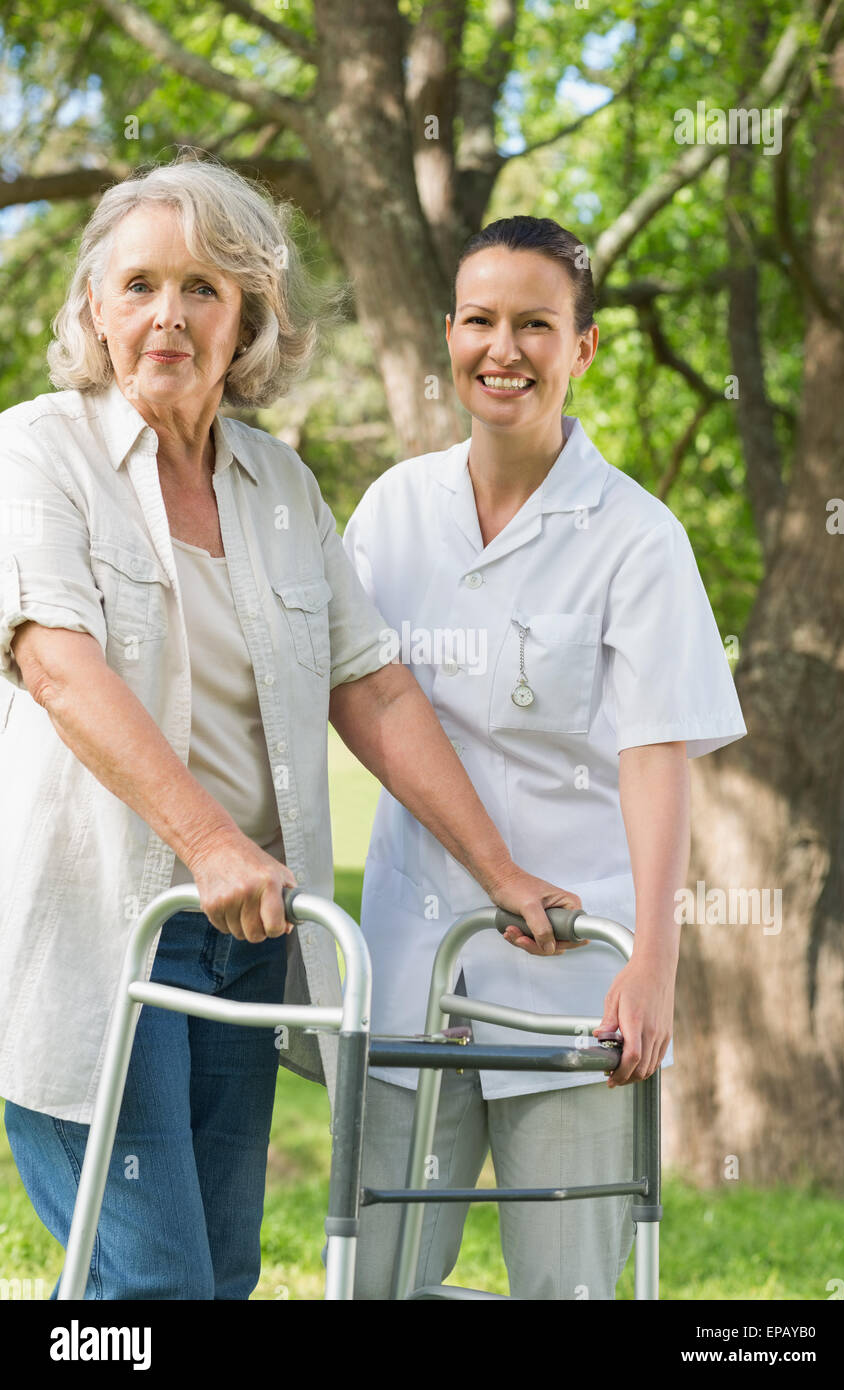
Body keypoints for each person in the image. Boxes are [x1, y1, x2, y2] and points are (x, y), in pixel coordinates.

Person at [0, 162, 581, 1301]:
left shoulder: (275, 482)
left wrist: (496, 866)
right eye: (139, 285)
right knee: (154, 1288)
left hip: (249, 938)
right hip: (100, 931)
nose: (167, 314)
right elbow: (58, 667)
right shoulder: (34, 453)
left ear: (251, 317)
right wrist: (212, 843)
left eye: (203, 288)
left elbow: (373, 688)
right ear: (96, 308)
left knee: (218, 1279)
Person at [342, 214, 748, 1300]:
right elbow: (344, 689)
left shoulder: (636, 535)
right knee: (376, 1276)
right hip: (409, 951)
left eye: (535, 323)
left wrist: (650, 963)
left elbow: (656, 756)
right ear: (448, 334)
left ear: (582, 348)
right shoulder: (393, 510)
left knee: (563, 1285)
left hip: (573, 974)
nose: (502, 348)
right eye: (479, 320)